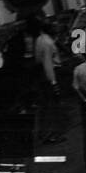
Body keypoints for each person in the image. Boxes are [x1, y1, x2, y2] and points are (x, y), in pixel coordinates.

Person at [31, 17, 66, 145]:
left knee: (45, 106)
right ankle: (50, 135)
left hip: (41, 76)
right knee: (52, 106)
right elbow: (48, 64)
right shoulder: (47, 43)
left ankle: (44, 133)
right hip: (49, 75)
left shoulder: (40, 39)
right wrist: (53, 82)